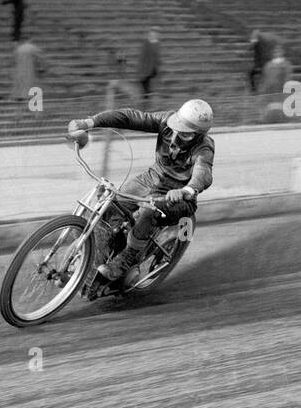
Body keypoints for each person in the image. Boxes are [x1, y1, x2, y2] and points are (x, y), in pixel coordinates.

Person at [67, 100, 214, 282]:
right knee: (110, 206)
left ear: (199, 135)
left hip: (177, 195)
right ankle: (95, 260)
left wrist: (188, 190)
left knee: (148, 211)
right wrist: (90, 122)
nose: (175, 137)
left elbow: (203, 173)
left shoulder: (204, 147)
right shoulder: (165, 121)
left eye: (184, 135)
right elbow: (131, 117)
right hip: (149, 179)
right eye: (176, 128)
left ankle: (127, 258)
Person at [11, 36, 47, 104]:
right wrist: (42, 67)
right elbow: (40, 58)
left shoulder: (19, 48)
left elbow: (14, 59)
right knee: (30, 83)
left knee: (21, 83)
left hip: (20, 69)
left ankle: (20, 96)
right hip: (30, 68)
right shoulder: (33, 48)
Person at [137, 28, 161, 104]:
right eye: (152, 34)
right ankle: (145, 103)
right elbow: (142, 58)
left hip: (152, 71)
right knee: (145, 90)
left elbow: (156, 58)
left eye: (155, 34)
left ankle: (148, 103)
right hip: (145, 71)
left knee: (149, 89)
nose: (154, 36)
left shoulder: (156, 44)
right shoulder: (146, 44)